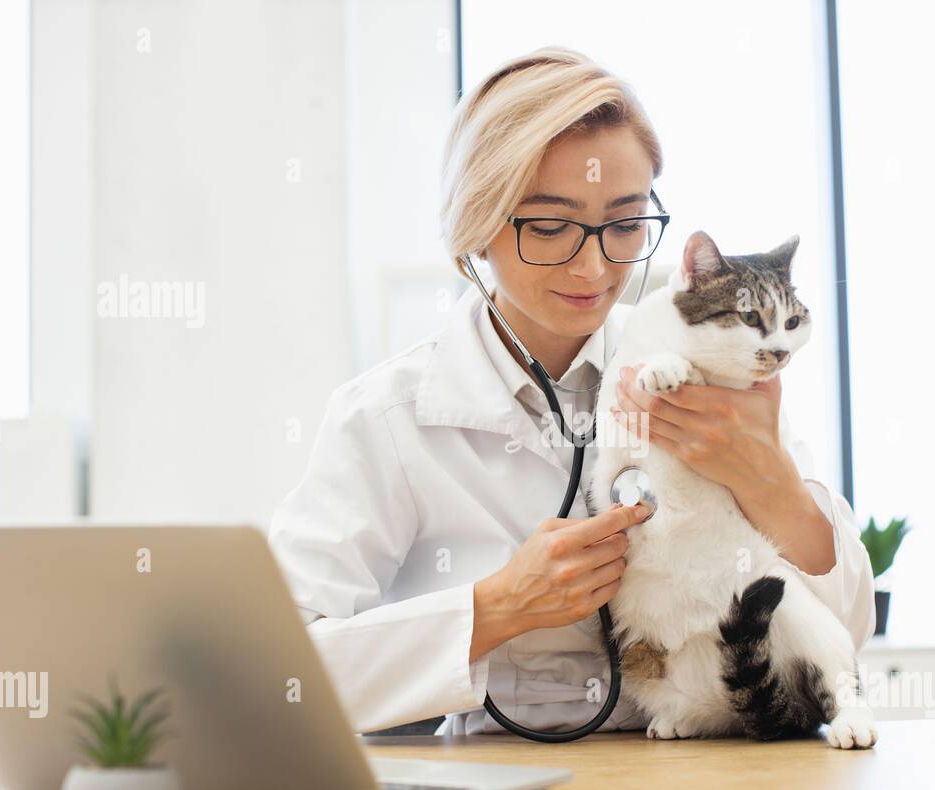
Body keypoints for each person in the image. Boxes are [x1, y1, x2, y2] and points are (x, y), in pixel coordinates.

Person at [267, 46, 875, 737]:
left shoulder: (712, 370)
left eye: (623, 225)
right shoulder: (386, 420)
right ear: (476, 221)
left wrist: (768, 480)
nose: (593, 265)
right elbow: (277, 676)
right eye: (550, 226)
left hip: (695, 785)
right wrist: (498, 608)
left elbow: (846, 630)